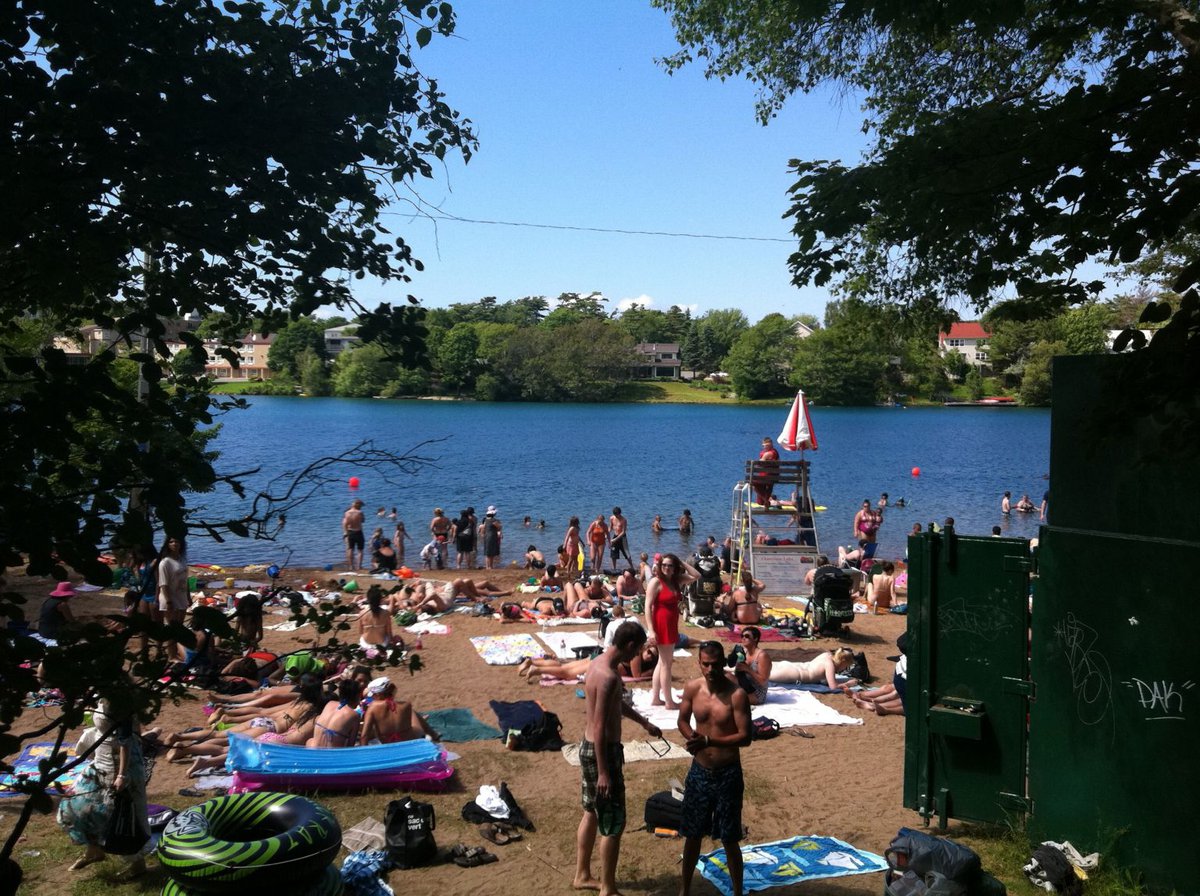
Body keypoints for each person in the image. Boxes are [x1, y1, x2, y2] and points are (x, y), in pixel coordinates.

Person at [574, 622, 662, 896]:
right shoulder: (609, 676)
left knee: (591, 811)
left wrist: (644, 722)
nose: (635, 657)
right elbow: (600, 725)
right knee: (613, 821)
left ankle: (582, 875)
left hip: (588, 748)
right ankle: (608, 889)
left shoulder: (598, 662)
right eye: (637, 650)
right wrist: (604, 772)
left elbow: (615, 704)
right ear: (630, 645)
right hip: (603, 753)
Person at [677, 641, 753, 896]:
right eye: (705, 664)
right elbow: (682, 719)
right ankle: (684, 890)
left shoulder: (736, 695)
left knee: (730, 838)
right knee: (692, 834)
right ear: (699, 663)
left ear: (723, 663)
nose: (710, 669)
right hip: (700, 770)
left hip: (727, 773)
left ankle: (738, 892)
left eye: (715, 664)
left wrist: (709, 741)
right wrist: (691, 739)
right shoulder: (692, 688)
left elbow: (745, 736)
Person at [58, 698, 150, 878]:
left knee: (121, 816)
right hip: (100, 762)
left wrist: (122, 775)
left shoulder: (120, 700)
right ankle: (94, 850)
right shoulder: (102, 693)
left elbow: (126, 740)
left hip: (118, 767)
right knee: (75, 806)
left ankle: (137, 864)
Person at [644, 552, 699, 709]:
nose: (667, 568)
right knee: (667, 664)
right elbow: (647, 607)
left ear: (675, 568)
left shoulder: (676, 581)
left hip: (671, 623)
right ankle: (669, 701)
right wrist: (651, 630)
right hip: (660, 624)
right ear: (660, 566)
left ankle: (656, 698)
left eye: (670, 565)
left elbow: (696, 575)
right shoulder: (656, 582)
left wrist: (682, 561)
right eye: (664, 565)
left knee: (662, 662)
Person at [358, 677, 435, 744]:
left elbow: (364, 736)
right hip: (407, 742)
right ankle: (433, 734)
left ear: (379, 694)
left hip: (389, 744)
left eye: (373, 695)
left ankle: (430, 730)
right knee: (412, 714)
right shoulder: (406, 705)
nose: (373, 698)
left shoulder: (373, 707)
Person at [157, 535, 189, 660]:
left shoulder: (181, 559)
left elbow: (185, 580)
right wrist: (169, 601)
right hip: (169, 598)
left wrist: (188, 597)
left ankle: (176, 652)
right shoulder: (165, 562)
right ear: (167, 545)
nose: (175, 543)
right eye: (171, 541)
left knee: (179, 628)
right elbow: (163, 584)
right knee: (171, 628)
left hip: (181, 596)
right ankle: (171, 655)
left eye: (177, 540)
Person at [308, 679, 363, 747]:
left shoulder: (329, 703)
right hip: (331, 755)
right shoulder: (355, 716)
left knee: (310, 740)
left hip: (313, 750)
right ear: (357, 696)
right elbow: (350, 745)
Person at [769, 647, 857, 688]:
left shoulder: (827, 655)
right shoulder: (830, 665)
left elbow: (828, 680)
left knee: (763, 667)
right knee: (763, 675)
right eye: (845, 666)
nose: (844, 669)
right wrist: (848, 684)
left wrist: (846, 680)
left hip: (792, 666)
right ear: (843, 662)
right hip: (794, 674)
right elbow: (833, 686)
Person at [730, 626, 772, 705]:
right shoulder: (743, 652)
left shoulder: (762, 656)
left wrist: (748, 669)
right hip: (743, 686)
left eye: (747, 636)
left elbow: (763, 681)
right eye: (742, 636)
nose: (743, 638)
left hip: (757, 693)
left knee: (728, 698)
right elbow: (731, 665)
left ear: (755, 639)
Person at [752, 436, 779, 506]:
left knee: (753, 483)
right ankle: (765, 501)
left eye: (766, 445)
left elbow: (759, 464)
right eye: (765, 446)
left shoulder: (768, 454)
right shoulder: (775, 452)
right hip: (774, 477)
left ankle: (766, 500)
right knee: (760, 502)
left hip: (766, 477)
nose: (765, 447)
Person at [343, 499, 365, 570]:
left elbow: (345, 524)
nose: (361, 507)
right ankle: (359, 566)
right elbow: (363, 520)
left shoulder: (347, 513)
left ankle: (351, 566)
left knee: (350, 549)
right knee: (360, 550)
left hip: (350, 532)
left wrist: (345, 533)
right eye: (360, 506)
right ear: (358, 505)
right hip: (358, 531)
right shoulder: (360, 512)